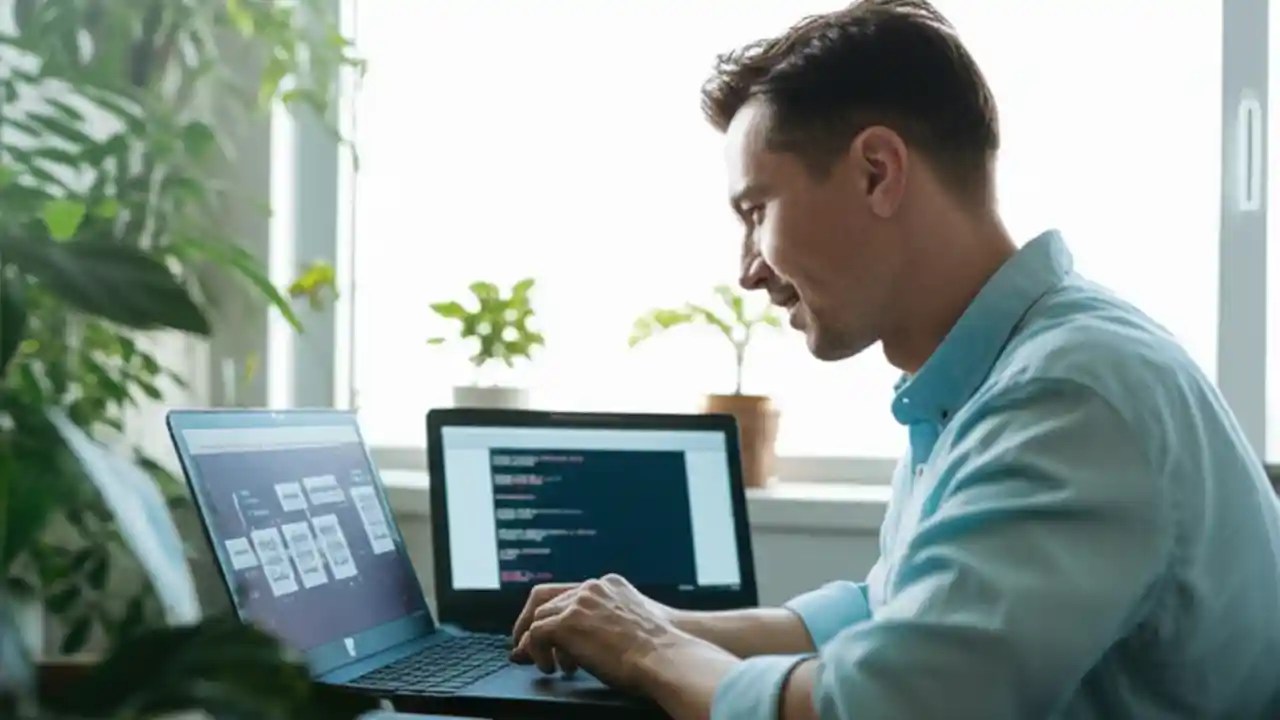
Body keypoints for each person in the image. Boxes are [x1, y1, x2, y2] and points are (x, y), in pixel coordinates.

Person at [508, 1, 1280, 718]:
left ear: (878, 171)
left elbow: (880, 704)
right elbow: (887, 614)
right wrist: (659, 620)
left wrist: (648, 648)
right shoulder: (993, 377)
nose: (747, 268)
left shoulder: (1067, 395)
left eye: (756, 212)